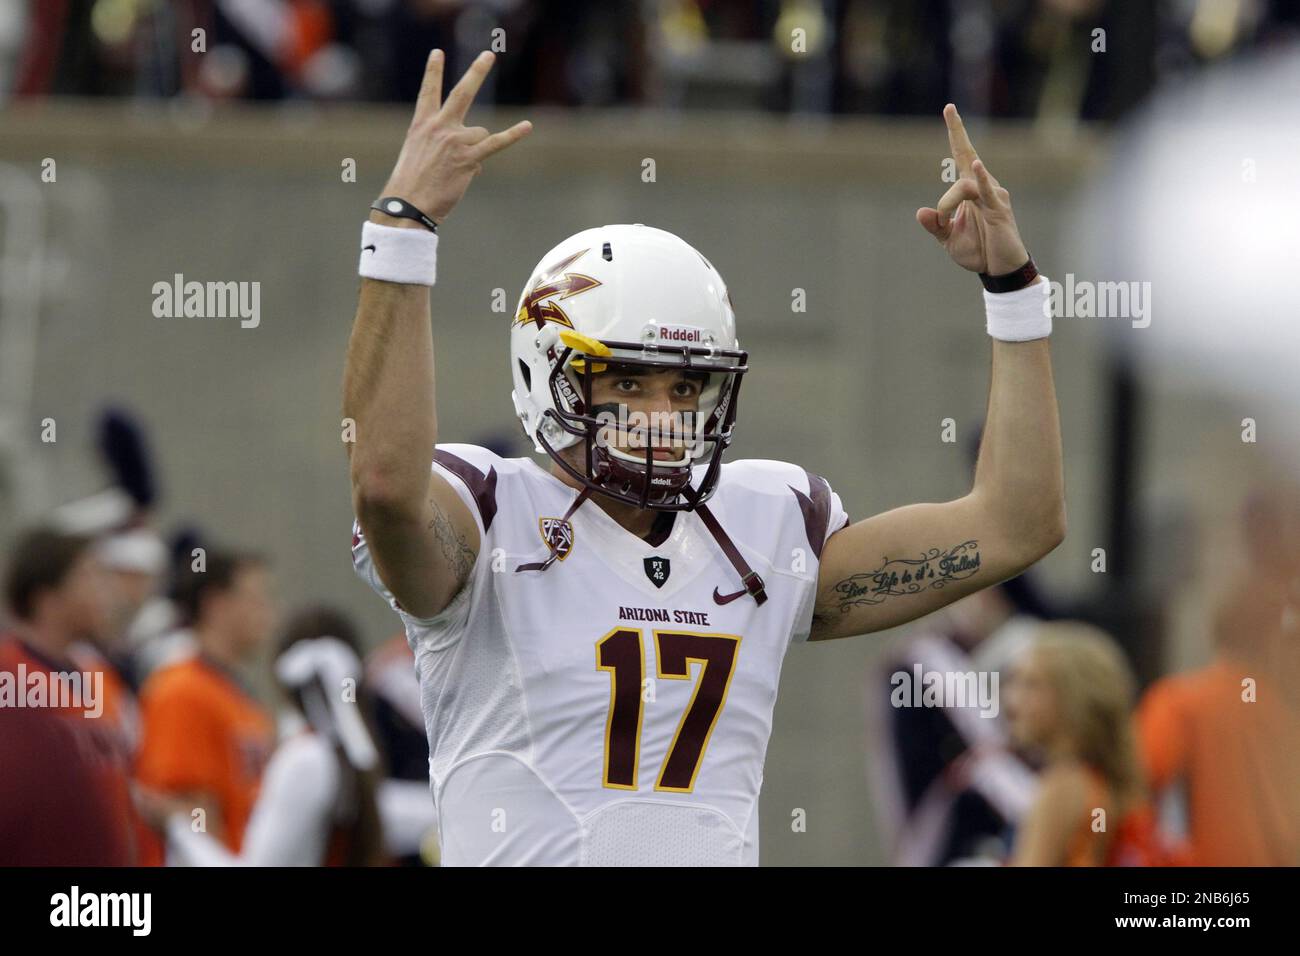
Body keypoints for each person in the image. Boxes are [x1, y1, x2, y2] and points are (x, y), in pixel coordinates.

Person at [342, 50, 1065, 865]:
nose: (662, 415)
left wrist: (1012, 289)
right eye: (631, 381)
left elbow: (1016, 523)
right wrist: (402, 231)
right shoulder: (489, 516)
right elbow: (385, 485)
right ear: (548, 373)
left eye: (687, 388)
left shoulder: (761, 526)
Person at [0, 527, 136, 863]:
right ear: (47, 594)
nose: (106, 592)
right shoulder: (9, 675)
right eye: (89, 576)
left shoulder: (102, 678)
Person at [134, 549, 277, 864]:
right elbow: (191, 814)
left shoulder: (233, 691)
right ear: (216, 604)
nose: (267, 612)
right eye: (255, 598)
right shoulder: (182, 690)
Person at [1006, 622, 1171, 866]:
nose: (1012, 701)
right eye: (1014, 681)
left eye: (1032, 684)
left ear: (1072, 699)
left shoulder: (1062, 787)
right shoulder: (1102, 781)